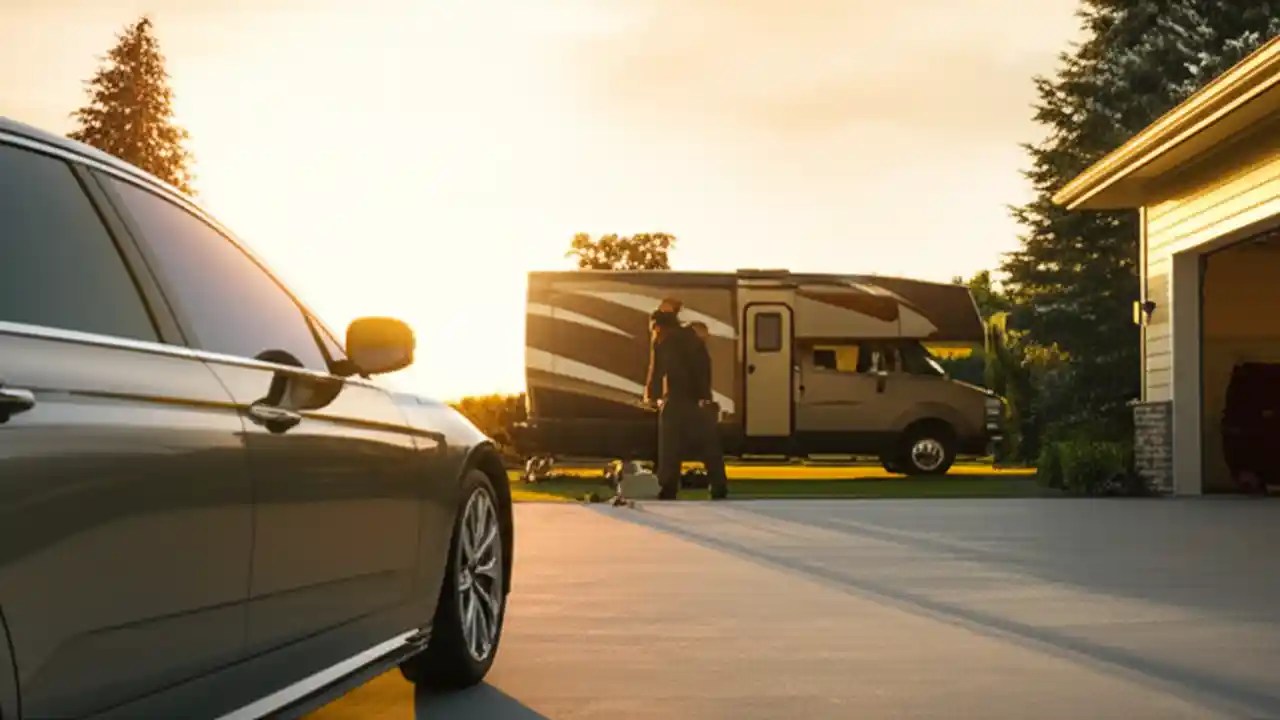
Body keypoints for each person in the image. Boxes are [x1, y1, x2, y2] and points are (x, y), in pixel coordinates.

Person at [643, 301, 729, 500]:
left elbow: (657, 371)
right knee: (709, 448)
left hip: (676, 399)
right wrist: (705, 397)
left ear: (659, 326)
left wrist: (652, 396)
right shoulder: (693, 339)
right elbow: (704, 368)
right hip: (698, 401)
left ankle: (669, 488)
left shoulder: (663, 341)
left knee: (670, 448)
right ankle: (719, 486)